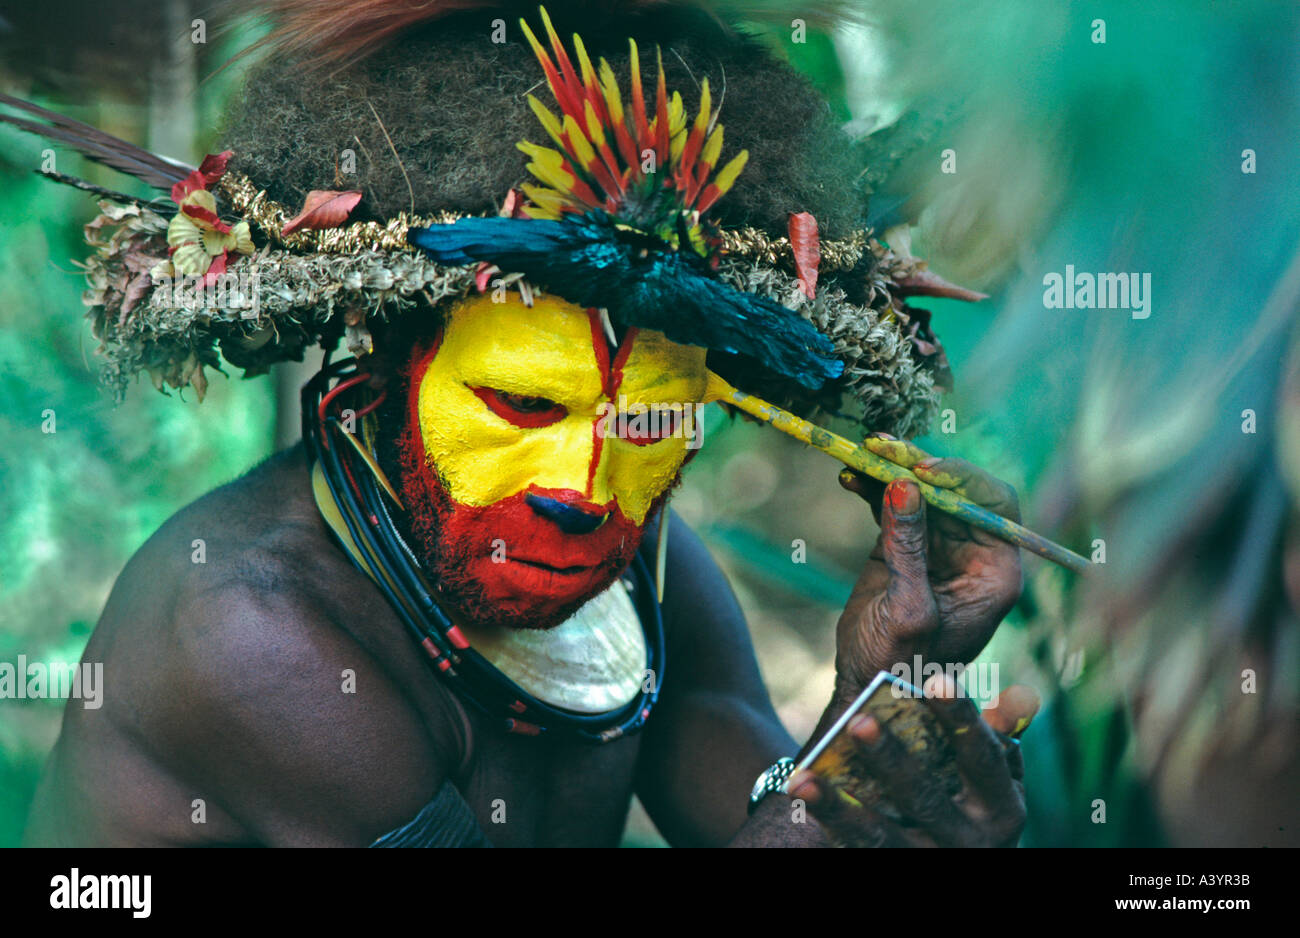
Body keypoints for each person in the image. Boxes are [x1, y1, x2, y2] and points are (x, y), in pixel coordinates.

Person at [16, 0, 1036, 847]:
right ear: (373, 376)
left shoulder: (649, 573)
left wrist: (888, 686)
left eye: (652, 418)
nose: (584, 489)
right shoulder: (252, 630)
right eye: (523, 403)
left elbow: (772, 816)